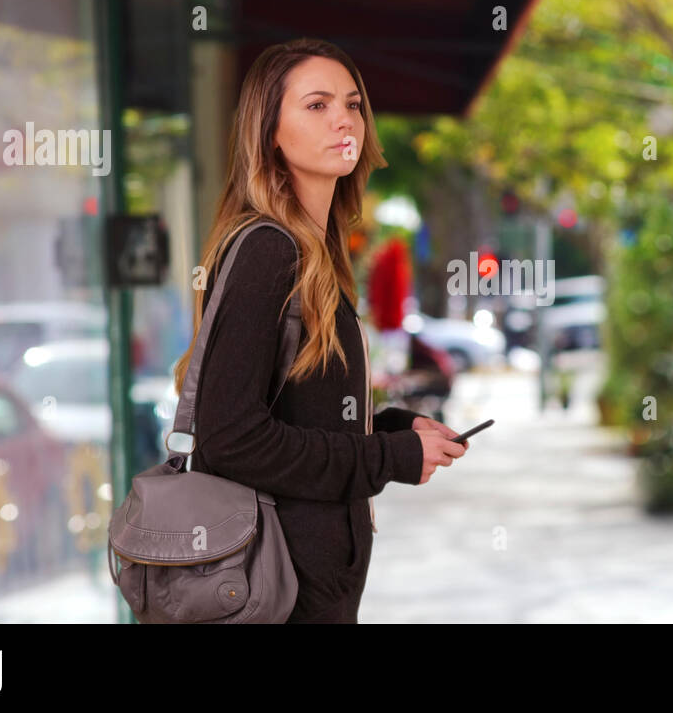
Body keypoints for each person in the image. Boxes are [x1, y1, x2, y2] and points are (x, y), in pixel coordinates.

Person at [173, 38, 469, 623]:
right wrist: (387, 458)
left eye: (354, 104)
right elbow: (229, 436)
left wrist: (395, 427)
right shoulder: (266, 250)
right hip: (272, 589)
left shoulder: (316, 253)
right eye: (317, 105)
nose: (344, 118)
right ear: (270, 132)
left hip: (310, 584)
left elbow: (299, 414)